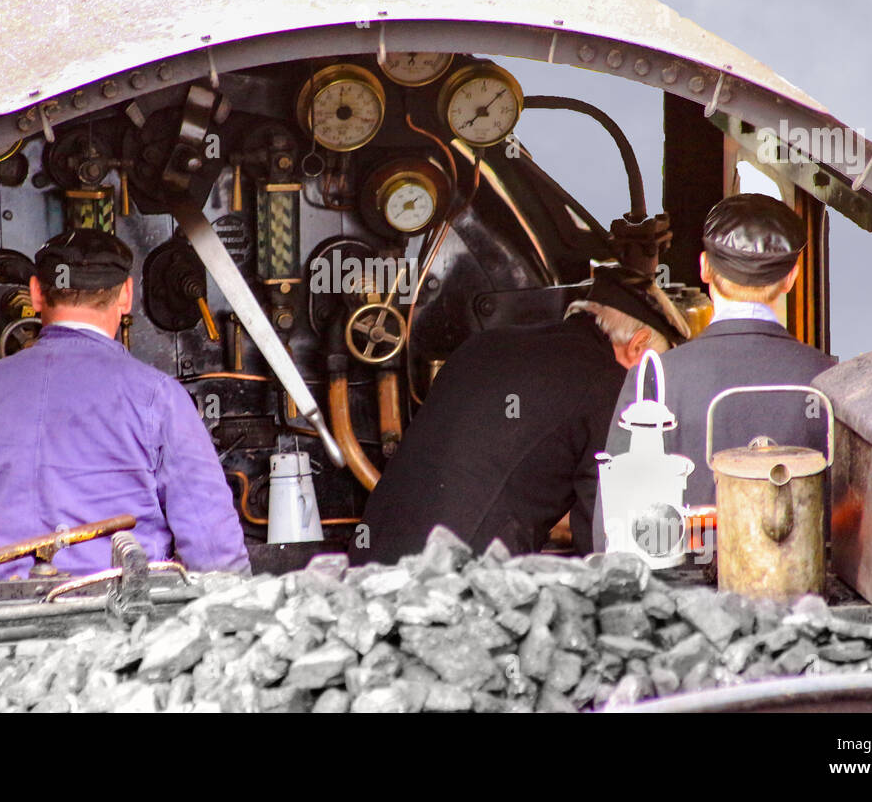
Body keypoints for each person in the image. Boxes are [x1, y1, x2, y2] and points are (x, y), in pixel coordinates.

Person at [0, 228, 249, 580]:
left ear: (35, 294)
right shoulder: (159, 397)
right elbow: (214, 552)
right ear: (126, 296)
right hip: (127, 622)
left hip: (4, 617)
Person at [348, 265, 691, 565]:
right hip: (453, 583)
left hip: (369, 560)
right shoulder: (610, 384)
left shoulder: (485, 343)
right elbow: (604, 530)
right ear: (638, 344)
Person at [598, 193, 837, 544]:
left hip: (682, 594)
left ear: (704, 268)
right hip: (797, 590)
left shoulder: (655, 377)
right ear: (791, 278)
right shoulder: (831, 380)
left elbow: (615, 528)